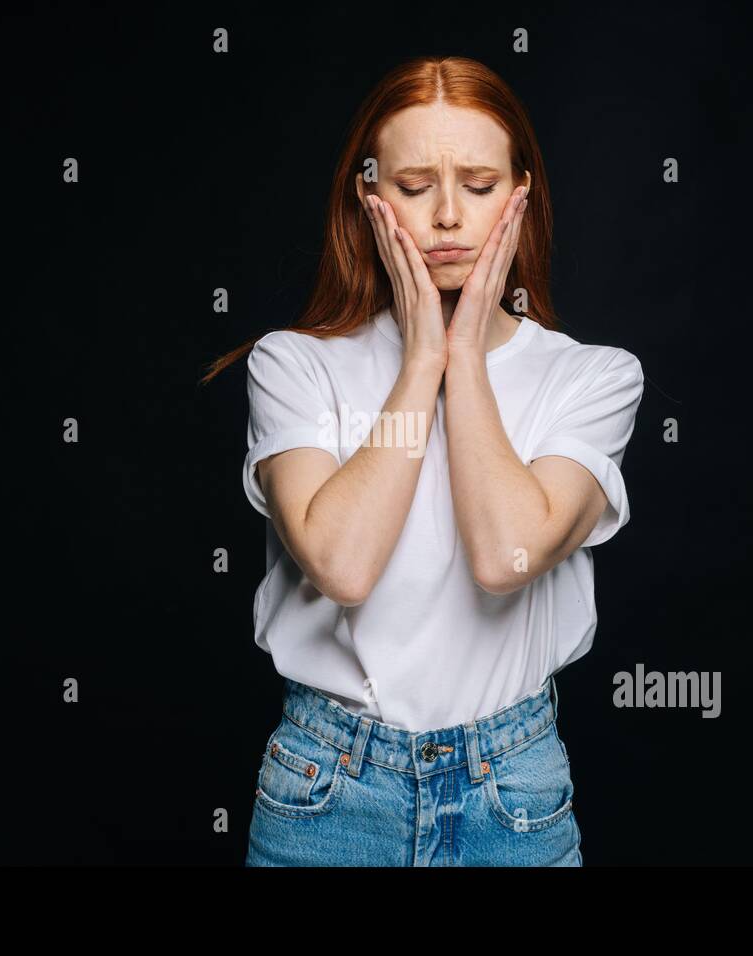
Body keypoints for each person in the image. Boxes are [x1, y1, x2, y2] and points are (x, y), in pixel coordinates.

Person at [201, 55, 645, 866]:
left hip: (512, 790)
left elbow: (505, 554)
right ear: (370, 202)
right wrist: (419, 364)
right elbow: (344, 564)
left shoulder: (594, 376)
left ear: (523, 195)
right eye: (413, 186)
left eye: (478, 186)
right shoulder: (292, 366)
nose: (447, 216)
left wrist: (465, 357)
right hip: (328, 787)